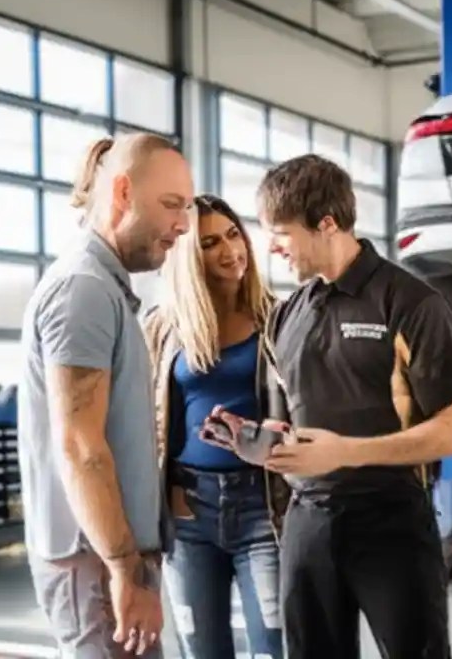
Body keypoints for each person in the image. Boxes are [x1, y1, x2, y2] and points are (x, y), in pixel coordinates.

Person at [212, 154, 452, 658]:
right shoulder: (287, 316)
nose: (270, 247)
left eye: (281, 232)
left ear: (326, 224)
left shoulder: (412, 304)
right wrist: (256, 439)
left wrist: (343, 452)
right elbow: (291, 419)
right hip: (308, 523)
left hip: (391, 522)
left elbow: (451, 432)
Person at [17, 132, 195, 658]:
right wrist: (124, 569)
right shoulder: (84, 290)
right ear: (122, 193)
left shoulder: (106, 288)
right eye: (171, 206)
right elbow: (79, 445)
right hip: (94, 562)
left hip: (106, 557)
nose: (182, 225)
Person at [140, 194, 289, 659]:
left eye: (233, 235)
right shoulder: (163, 327)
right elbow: (148, 421)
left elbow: (307, 410)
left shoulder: (279, 319)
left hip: (264, 506)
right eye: (210, 242)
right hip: (189, 513)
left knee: (272, 646)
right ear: (188, 255)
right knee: (201, 650)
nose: (231, 250)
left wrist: (257, 435)